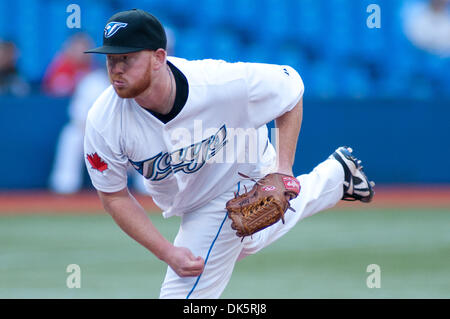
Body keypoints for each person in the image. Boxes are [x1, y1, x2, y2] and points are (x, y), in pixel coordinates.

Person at [83, 9, 375, 299]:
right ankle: (337, 176)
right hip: (190, 195)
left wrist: (283, 170)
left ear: (160, 57)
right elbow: (114, 195)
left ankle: (333, 178)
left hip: (235, 176)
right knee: (249, 238)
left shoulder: (219, 83)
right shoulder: (104, 119)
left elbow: (291, 86)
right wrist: (166, 251)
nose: (116, 69)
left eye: (127, 58)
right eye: (111, 59)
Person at [42, 33, 94, 97]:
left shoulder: (92, 66)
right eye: (78, 48)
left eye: (85, 47)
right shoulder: (62, 65)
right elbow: (60, 90)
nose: (81, 52)